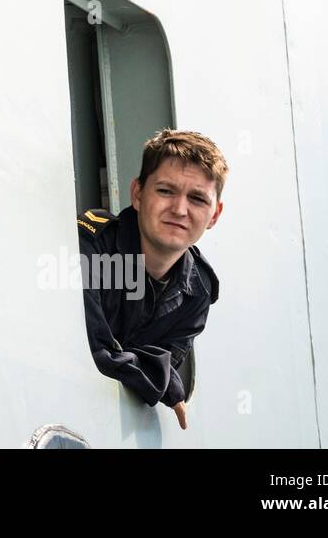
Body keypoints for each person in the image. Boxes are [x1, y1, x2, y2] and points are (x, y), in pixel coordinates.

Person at [77, 129, 226, 429]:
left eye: (197, 198)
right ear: (137, 193)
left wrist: (159, 373)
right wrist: (162, 378)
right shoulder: (91, 246)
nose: (179, 210)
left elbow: (163, 364)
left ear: (214, 215)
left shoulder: (199, 291)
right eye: (166, 191)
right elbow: (94, 353)